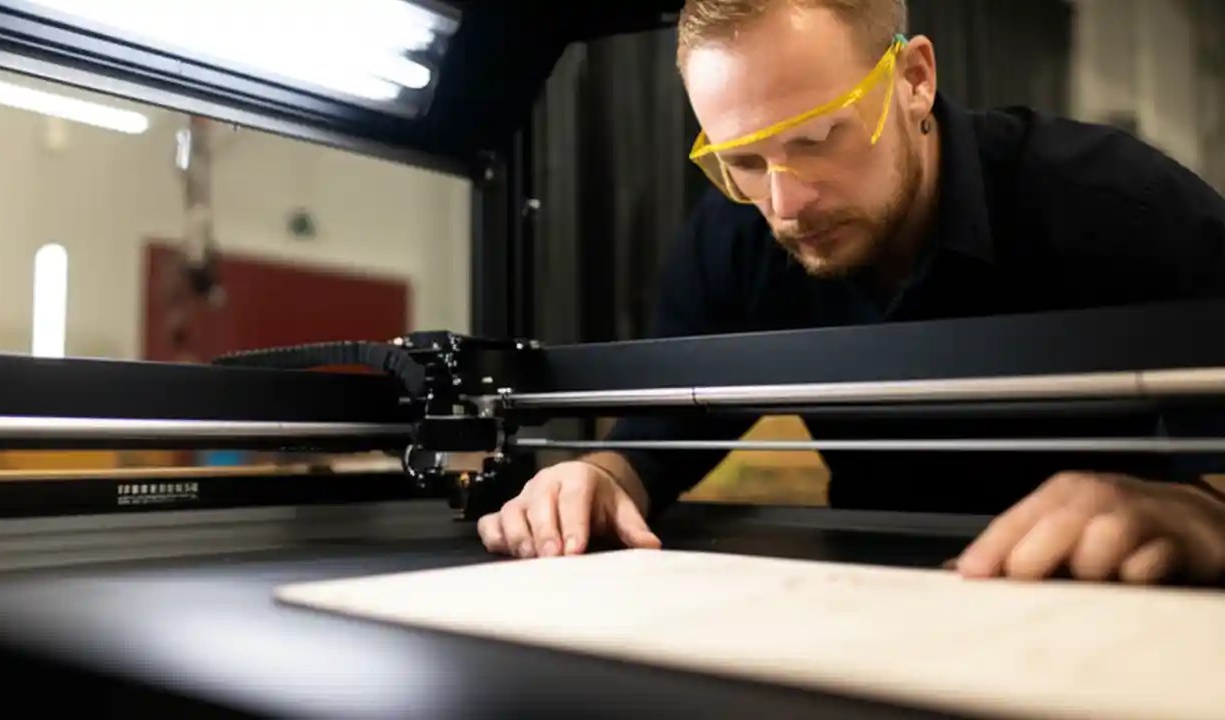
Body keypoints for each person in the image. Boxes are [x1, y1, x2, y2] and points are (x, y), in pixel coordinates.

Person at [477, 0, 1225, 585]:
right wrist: (601, 478)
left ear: (914, 80)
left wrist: (1204, 508)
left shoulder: (1117, 205)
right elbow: (667, 435)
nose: (785, 203)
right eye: (743, 159)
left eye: (816, 138)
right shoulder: (733, 237)